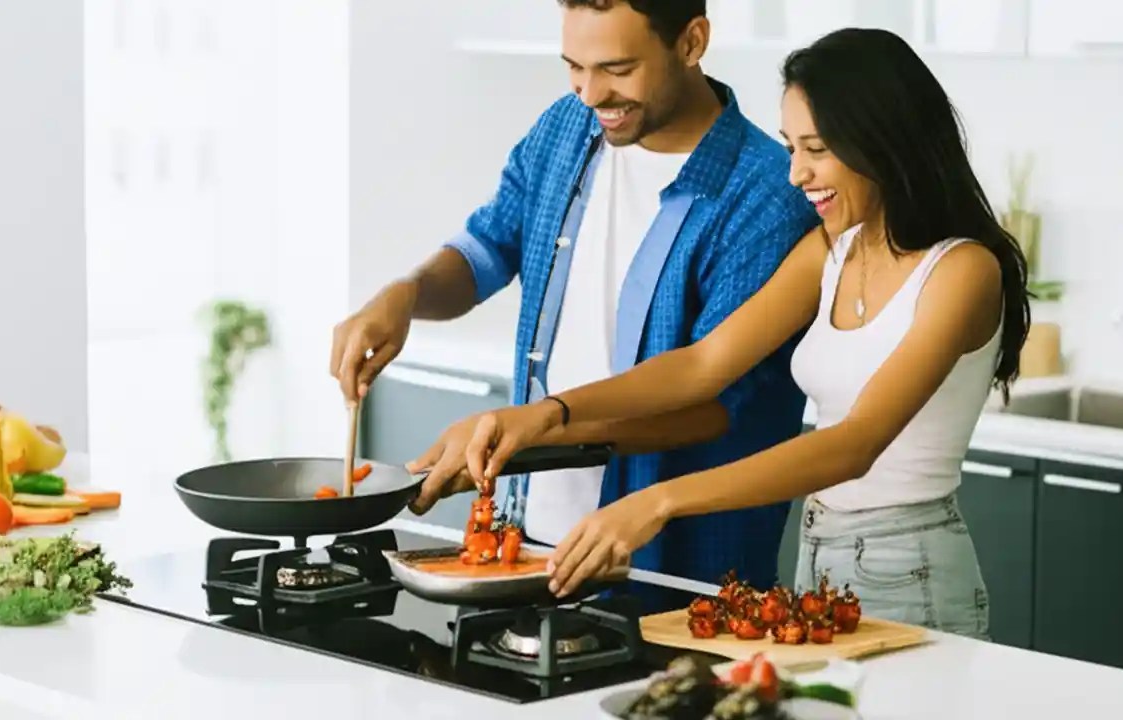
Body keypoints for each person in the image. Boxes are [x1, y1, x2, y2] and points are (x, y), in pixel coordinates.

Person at [460, 27, 1032, 639]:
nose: (795, 175)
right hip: (819, 557)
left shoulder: (963, 271)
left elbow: (854, 444)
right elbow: (704, 364)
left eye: (815, 149)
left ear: (883, 143)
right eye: (791, 147)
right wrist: (549, 412)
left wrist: (659, 501)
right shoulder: (831, 250)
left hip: (911, 566)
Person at [329, 0, 819, 599]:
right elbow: (487, 248)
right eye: (574, 67)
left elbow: (711, 409)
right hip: (530, 548)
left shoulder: (767, 191)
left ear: (692, 43)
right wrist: (405, 295)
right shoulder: (566, 128)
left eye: (616, 68)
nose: (590, 93)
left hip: (671, 578)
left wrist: (534, 429)